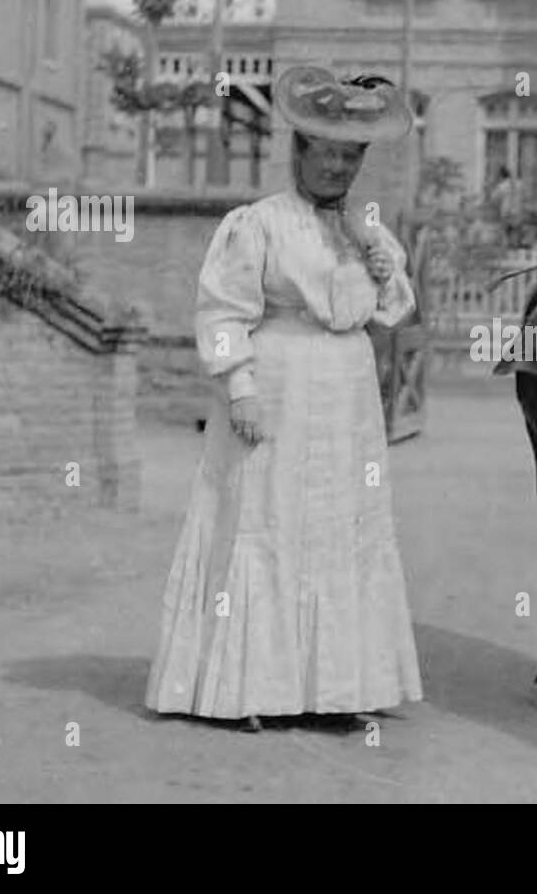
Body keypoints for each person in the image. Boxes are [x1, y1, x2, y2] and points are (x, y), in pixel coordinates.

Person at [144, 66, 423, 732]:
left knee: (340, 525)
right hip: (279, 385)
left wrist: (384, 275)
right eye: (324, 153)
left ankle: (335, 685)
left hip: (347, 394)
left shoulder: (363, 228)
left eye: (349, 156)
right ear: (298, 151)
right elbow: (222, 311)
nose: (336, 168)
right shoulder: (259, 225)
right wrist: (238, 384)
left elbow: (393, 311)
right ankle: (247, 688)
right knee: (264, 520)